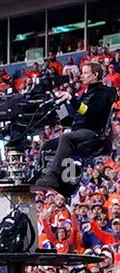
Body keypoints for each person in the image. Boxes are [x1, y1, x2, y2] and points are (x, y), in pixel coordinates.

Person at [36, 60, 116, 195]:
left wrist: (72, 99)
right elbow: (72, 120)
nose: (81, 76)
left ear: (95, 75)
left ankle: (53, 175)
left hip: (93, 132)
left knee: (66, 138)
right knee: (46, 145)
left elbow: (90, 112)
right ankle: (42, 175)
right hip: (79, 131)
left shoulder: (104, 93)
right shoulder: (86, 93)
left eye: (85, 73)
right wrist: (60, 109)